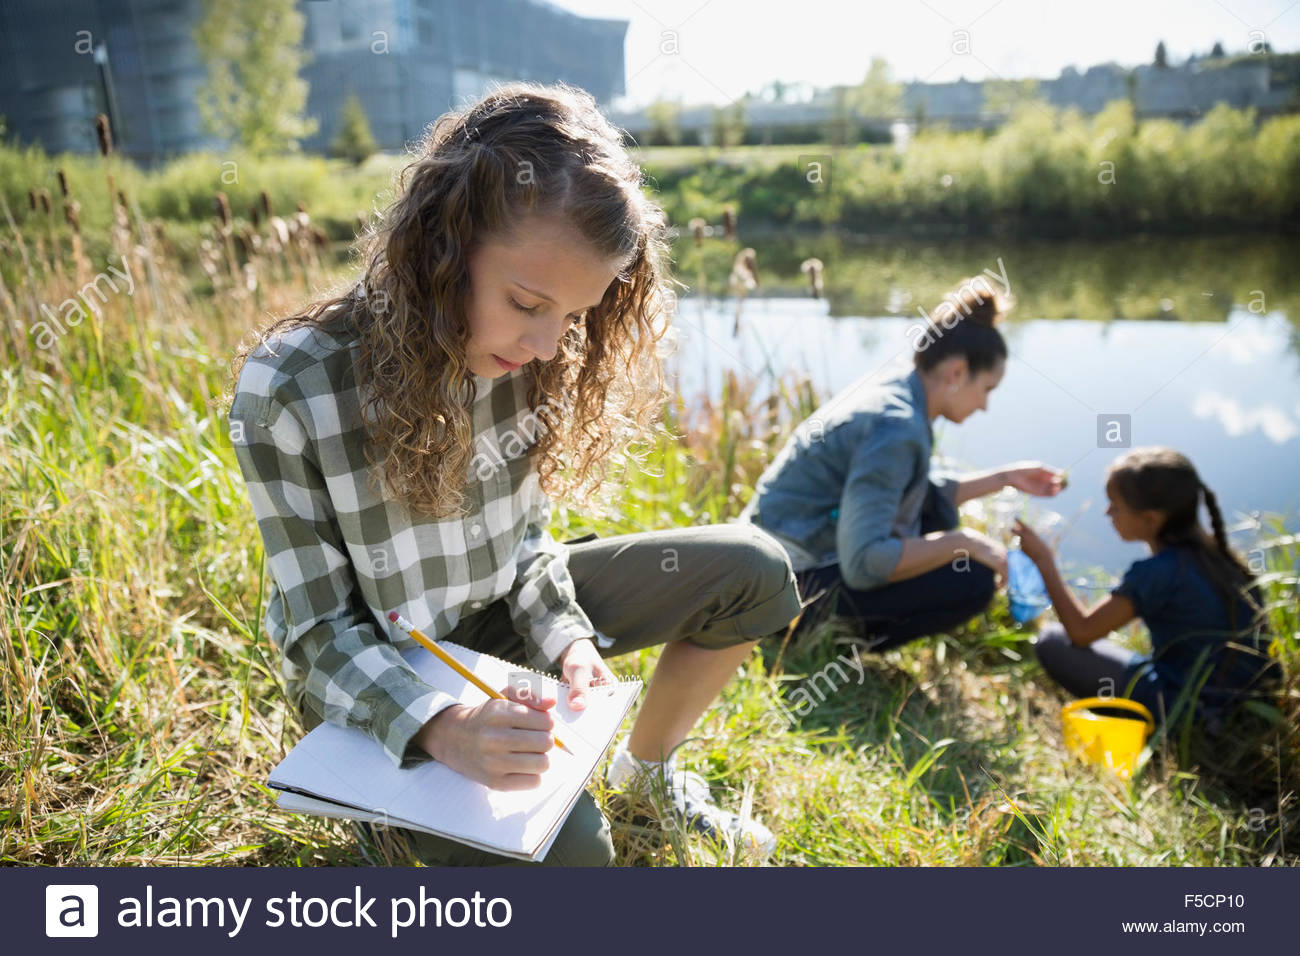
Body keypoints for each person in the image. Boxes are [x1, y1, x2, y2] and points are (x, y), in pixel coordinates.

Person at [225, 83, 802, 866]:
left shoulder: (525, 353)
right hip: (383, 676)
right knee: (579, 863)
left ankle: (648, 768)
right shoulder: (289, 387)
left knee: (757, 572)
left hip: (497, 626)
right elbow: (316, 633)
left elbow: (525, 541)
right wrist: (444, 728)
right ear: (441, 248)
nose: (546, 345)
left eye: (574, 317)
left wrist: (567, 641)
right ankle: (386, 811)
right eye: (527, 302)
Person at [739, 279, 1064, 650]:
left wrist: (1005, 478)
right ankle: (820, 646)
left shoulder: (898, 393)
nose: (984, 405)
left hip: (769, 566)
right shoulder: (895, 427)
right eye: (987, 389)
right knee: (971, 579)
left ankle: (825, 636)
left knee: (937, 524)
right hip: (774, 590)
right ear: (957, 372)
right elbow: (865, 564)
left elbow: (911, 490)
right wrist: (967, 542)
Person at [1016, 446, 1278, 726]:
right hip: (1247, 709)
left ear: (1151, 519)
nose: (1107, 513)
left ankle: (1157, 726)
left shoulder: (1157, 572)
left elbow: (1081, 632)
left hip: (1187, 711)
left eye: (1115, 506)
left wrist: (1044, 560)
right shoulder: (1223, 559)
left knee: (1051, 642)